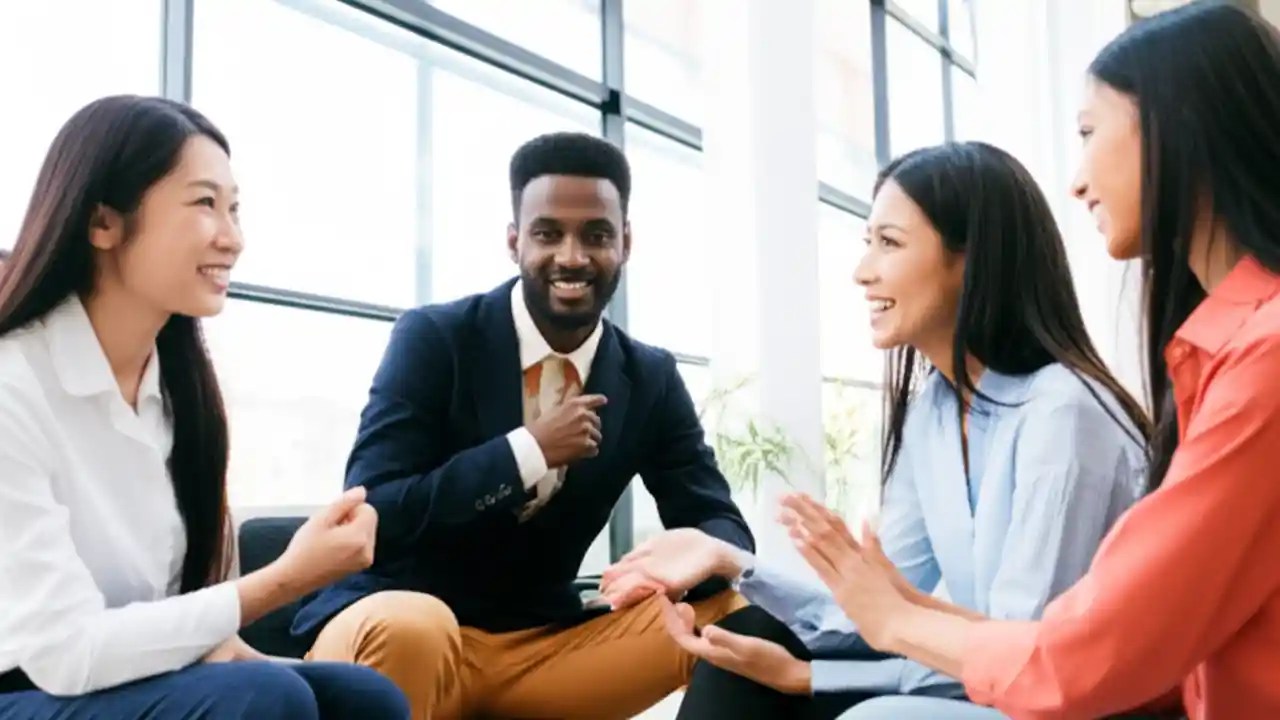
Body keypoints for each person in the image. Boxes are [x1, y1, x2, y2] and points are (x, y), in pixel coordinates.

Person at [780, 3, 1280, 719]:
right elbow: (1087, 642)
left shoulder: (1257, 362)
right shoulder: (1222, 353)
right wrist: (883, 607)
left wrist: (893, 625)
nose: (1075, 181)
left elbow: (1078, 657)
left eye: (1087, 133)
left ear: (1178, 130)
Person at [605, 141, 1152, 719]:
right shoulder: (934, 413)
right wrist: (728, 561)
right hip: (991, 678)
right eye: (869, 243)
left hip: (1066, 703)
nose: (863, 272)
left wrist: (810, 678)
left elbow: (1023, 658)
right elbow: (872, 614)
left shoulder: (1064, 414)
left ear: (972, 260)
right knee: (747, 649)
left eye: (888, 243)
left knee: (872, 716)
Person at [293, 131, 754, 719]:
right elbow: (376, 511)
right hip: (394, 628)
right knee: (416, 625)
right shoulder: (436, 339)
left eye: (596, 235)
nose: (571, 256)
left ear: (626, 243)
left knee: (736, 618)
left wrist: (705, 549)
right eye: (547, 233)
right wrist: (525, 453)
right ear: (514, 242)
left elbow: (721, 523)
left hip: (538, 650)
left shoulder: (650, 378)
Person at [0, 95, 409, 719]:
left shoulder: (177, 394)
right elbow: (64, 652)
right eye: (204, 203)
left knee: (362, 699)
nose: (233, 238)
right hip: (24, 685)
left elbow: (160, 618)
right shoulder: (13, 385)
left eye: (235, 207)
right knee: (265, 700)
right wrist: (287, 579)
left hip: (105, 678)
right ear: (103, 222)